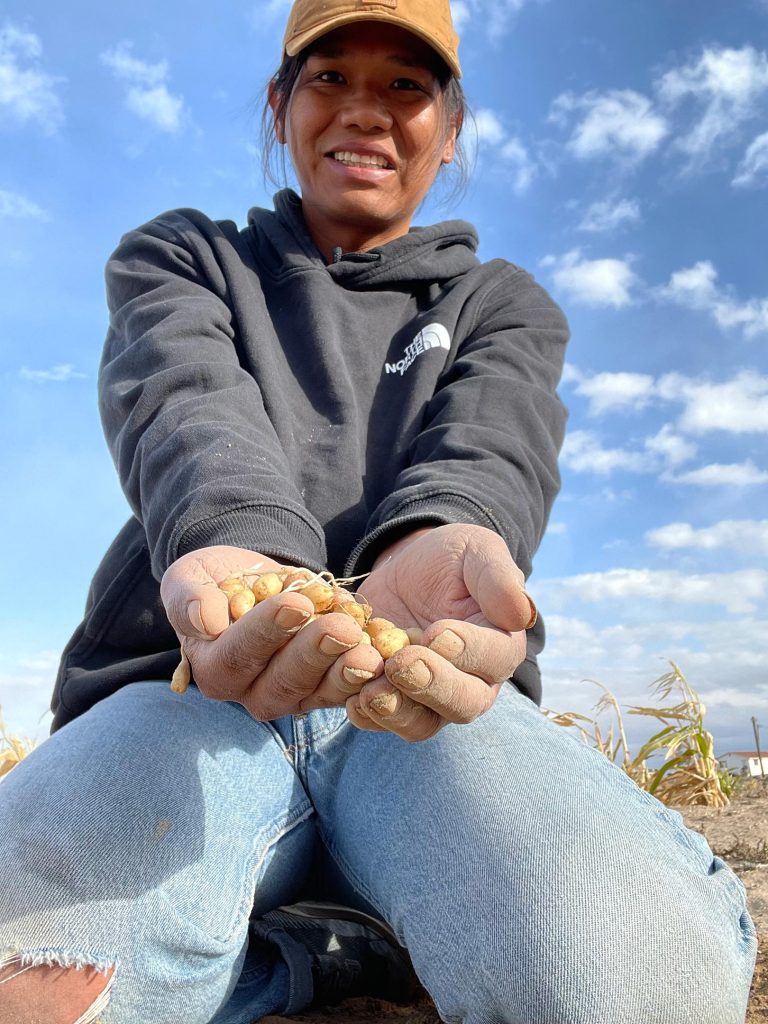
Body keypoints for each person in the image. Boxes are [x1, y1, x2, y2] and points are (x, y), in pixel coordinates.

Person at [0, 0, 757, 1021]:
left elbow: (492, 450)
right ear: (279, 105)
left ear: (449, 132)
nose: (364, 110)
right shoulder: (180, 258)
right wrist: (241, 557)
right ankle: (312, 958)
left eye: (406, 85)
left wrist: (449, 541)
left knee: (630, 979)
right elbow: (184, 408)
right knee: (32, 981)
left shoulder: (501, 303)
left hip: (423, 712)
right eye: (329, 77)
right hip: (186, 698)